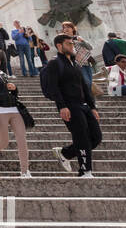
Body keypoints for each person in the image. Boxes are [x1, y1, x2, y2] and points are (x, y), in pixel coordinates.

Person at [41, 34, 102, 178]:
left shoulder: (75, 63)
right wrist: (62, 106)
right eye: (68, 44)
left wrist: (93, 107)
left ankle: (65, 153)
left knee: (96, 137)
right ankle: (85, 171)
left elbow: (85, 87)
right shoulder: (55, 63)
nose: (72, 46)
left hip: (84, 105)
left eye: (72, 44)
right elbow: (54, 87)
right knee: (82, 138)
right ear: (59, 46)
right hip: (69, 106)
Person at [60, 21, 95, 93]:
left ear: (72, 29)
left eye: (68, 27)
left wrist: (82, 41)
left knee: (90, 83)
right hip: (77, 65)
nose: (66, 29)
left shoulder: (78, 37)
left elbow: (90, 47)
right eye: (64, 28)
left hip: (86, 63)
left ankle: (91, 101)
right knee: (86, 83)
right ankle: (88, 100)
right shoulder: (63, 40)